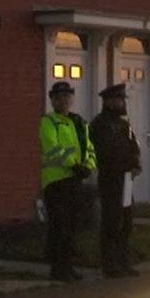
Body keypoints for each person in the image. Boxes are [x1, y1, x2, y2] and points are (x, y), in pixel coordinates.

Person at [39, 81, 95, 282]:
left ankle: (68, 266)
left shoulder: (79, 122)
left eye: (67, 97)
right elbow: (53, 148)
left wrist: (88, 165)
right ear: (53, 100)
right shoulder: (49, 122)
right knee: (59, 226)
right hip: (56, 182)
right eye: (59, 98)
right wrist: (73, 165)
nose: (64, 101)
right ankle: (58, 268)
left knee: (71, 226)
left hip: (74, 180)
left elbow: (89, 147)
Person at [90, 83, 143, 278]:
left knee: (126, 221)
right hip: (111, 179)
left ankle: (123, 261)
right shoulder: (100, 124)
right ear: (109, 102)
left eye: (122, 100)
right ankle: (109, 264)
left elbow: (133, 145)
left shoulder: (124, 124)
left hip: (127, 180)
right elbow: (103, 152)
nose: (122, 103)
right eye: (119, 100)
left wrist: (136, 163)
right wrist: (121, 164)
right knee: (111, 221)